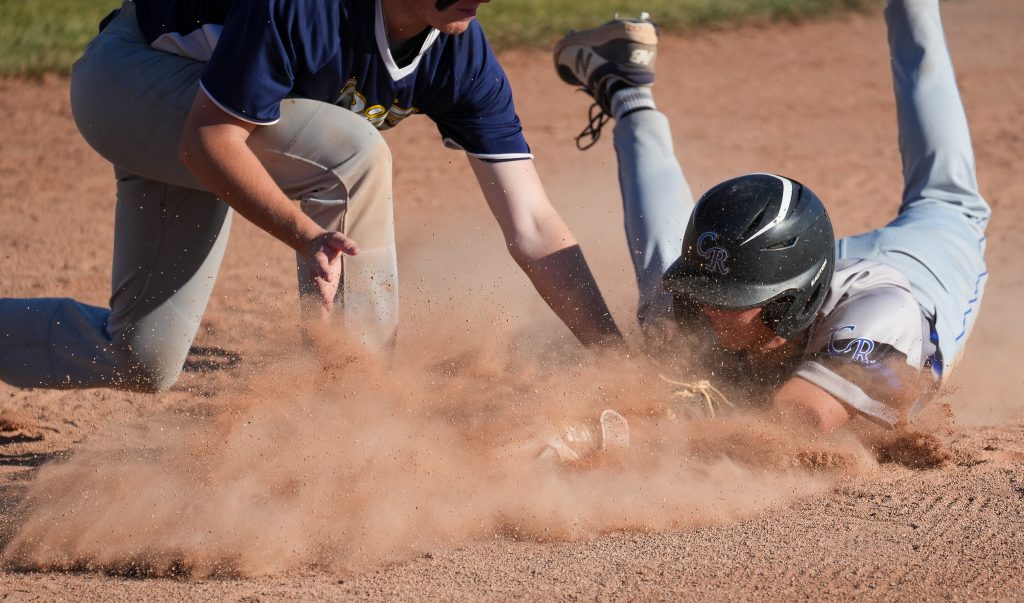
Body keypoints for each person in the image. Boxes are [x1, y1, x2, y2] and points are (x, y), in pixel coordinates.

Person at [0, 0, 623, 392]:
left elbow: (534, 224)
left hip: (207, 115)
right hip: (132, 80)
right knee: (351, 151)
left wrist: (615, 361)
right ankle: (358, 407)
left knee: (141, 360)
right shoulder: (307, 6)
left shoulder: (460, 54)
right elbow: (208, 141)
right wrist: (306, 233)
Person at [552, 0, 989, 432]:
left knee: (949, 198)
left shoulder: (884, 316)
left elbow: (798, 421)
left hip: (921, 267)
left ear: (789, 305)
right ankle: (627, 87)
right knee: (659, 282)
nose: (708, 309)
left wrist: (659, 425)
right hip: (774, 262)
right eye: (703, 290)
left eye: (729, 301)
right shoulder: (699, 300)